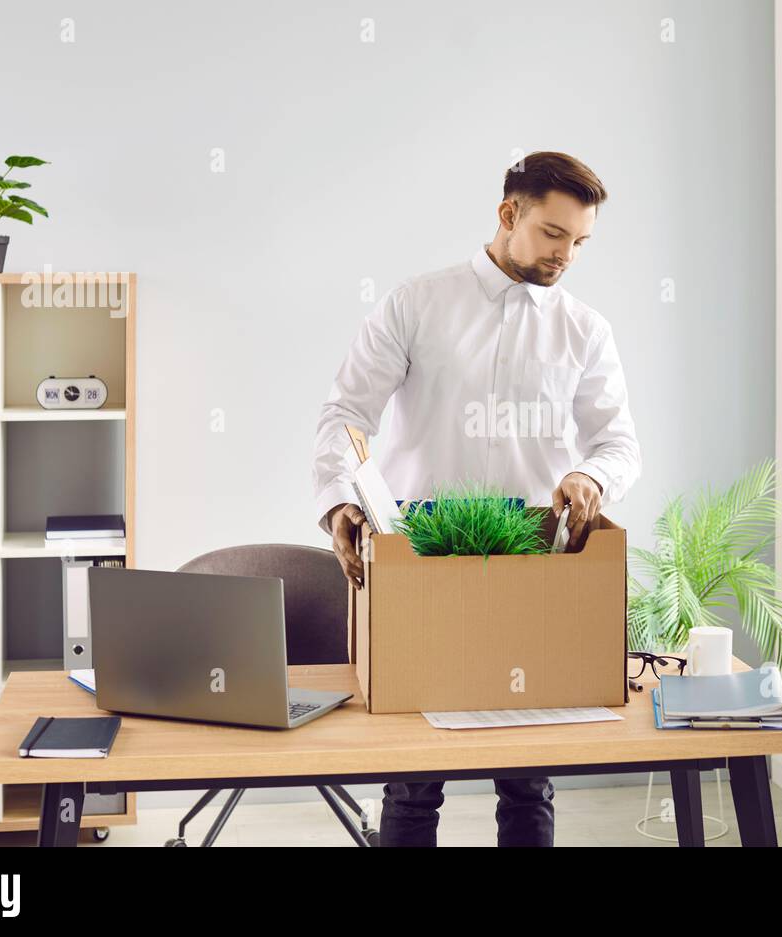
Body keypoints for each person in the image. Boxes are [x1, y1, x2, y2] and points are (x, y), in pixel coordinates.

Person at [311, 150, 642, 847]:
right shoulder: (418, 302)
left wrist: (592, 477)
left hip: (531, 563)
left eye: (579, 242)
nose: (566, 255)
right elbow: (347, 412)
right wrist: (341, 499)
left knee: (528, 779)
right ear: (508, 214)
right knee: (410, 777)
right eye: (553, 234)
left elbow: (619, 444)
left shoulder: (585, 330)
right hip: (419, 554)